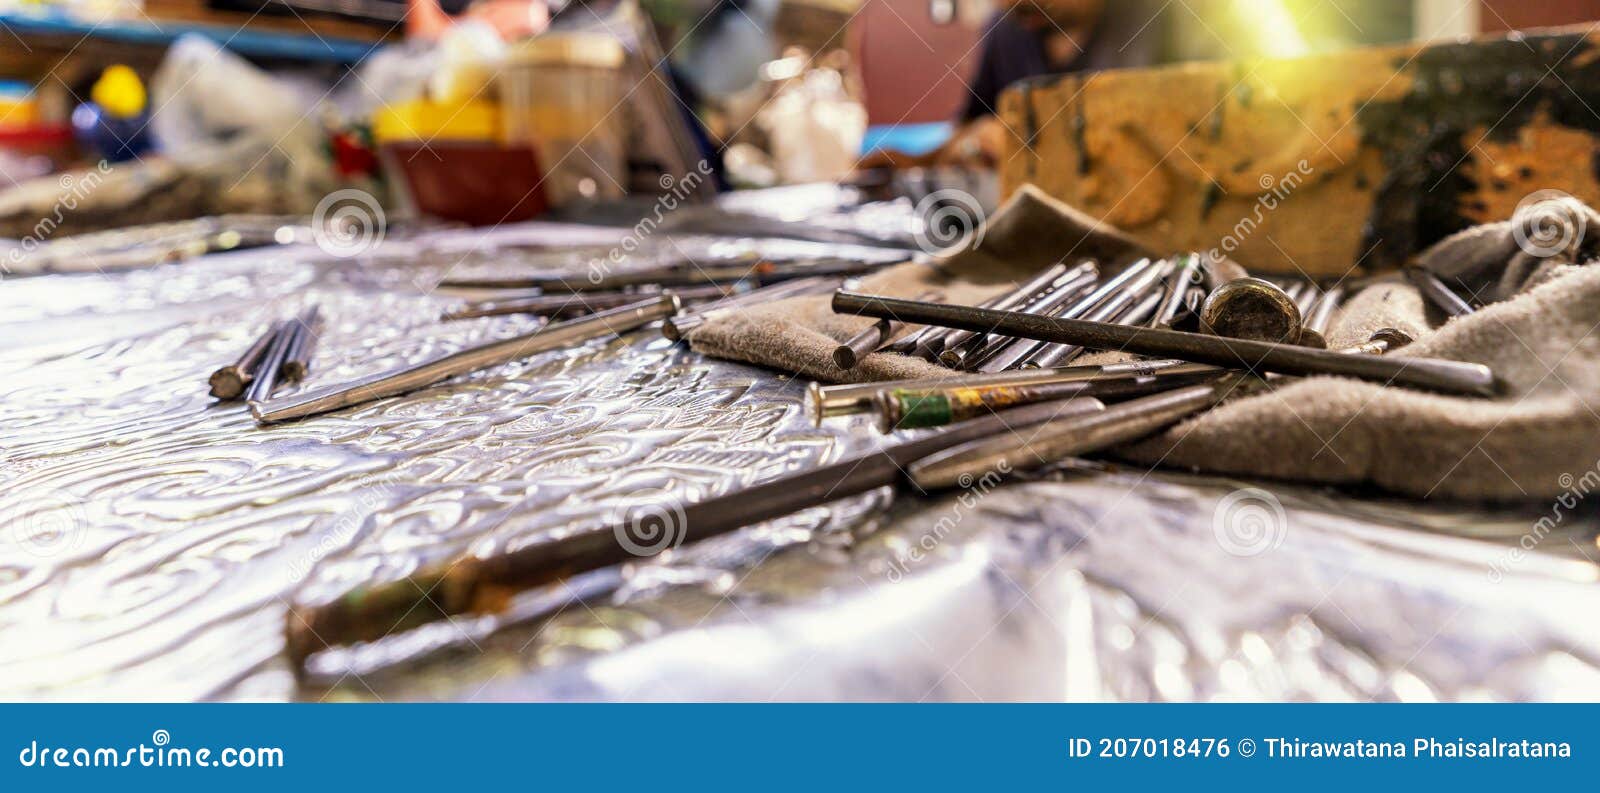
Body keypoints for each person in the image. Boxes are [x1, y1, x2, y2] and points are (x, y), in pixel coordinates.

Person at [862, 0, 1165, 170]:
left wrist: (1036, 143)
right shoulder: (1006, 29)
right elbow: (967, 131)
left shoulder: (1166, 20)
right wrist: (918, 162)